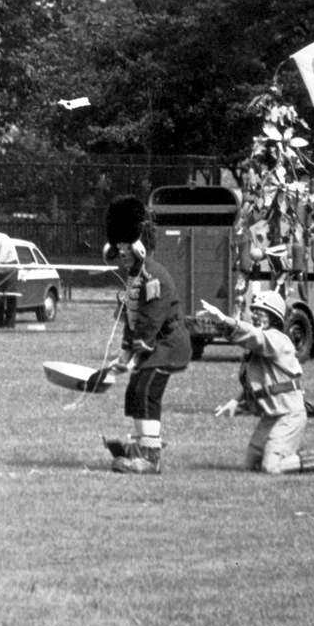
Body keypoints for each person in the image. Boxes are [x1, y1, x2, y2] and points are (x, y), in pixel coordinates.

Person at [199, 291, 314, 475]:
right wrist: (235, 402)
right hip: (273, 415)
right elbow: (255, 382)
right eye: (254, 311)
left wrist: (224, 319)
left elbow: (253, 336)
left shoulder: (276, 340)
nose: (255, 316)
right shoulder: (259, 347)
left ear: (274, 317)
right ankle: (295, 456)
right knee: (250, 466)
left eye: (261, 313)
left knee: (272, 467)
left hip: (288, 414)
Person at [102, 196, 192, 475]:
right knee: (136, 391)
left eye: (126, 246)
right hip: (155, 347)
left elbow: (149, 325)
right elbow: (132, 320)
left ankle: (150, 457)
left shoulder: (153, 276)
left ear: (139, 245)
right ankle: (141, 446)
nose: (122, 252)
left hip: (168, 346)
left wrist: (131, 359)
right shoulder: (135, 276)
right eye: (118, 247)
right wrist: (124, 355)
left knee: (146, 390)